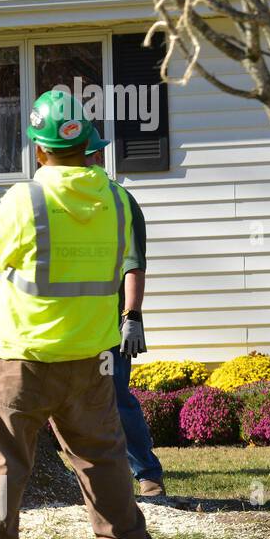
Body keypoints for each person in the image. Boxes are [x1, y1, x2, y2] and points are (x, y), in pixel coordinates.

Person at [0, 91, 158, 539]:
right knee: (105, 464)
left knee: (5, 466)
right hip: (92, 358)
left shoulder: (23, 198)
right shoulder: (116, 199)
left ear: (39, 150)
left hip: (25, 358)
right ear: (89, 143)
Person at [86, 132, 166, 497]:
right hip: (70, 325)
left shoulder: (119, 203)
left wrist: (130, 316)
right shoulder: (60, 203)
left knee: (116, 397)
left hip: (110, 325)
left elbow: (133, 266)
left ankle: (147, 473)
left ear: (95, 159)